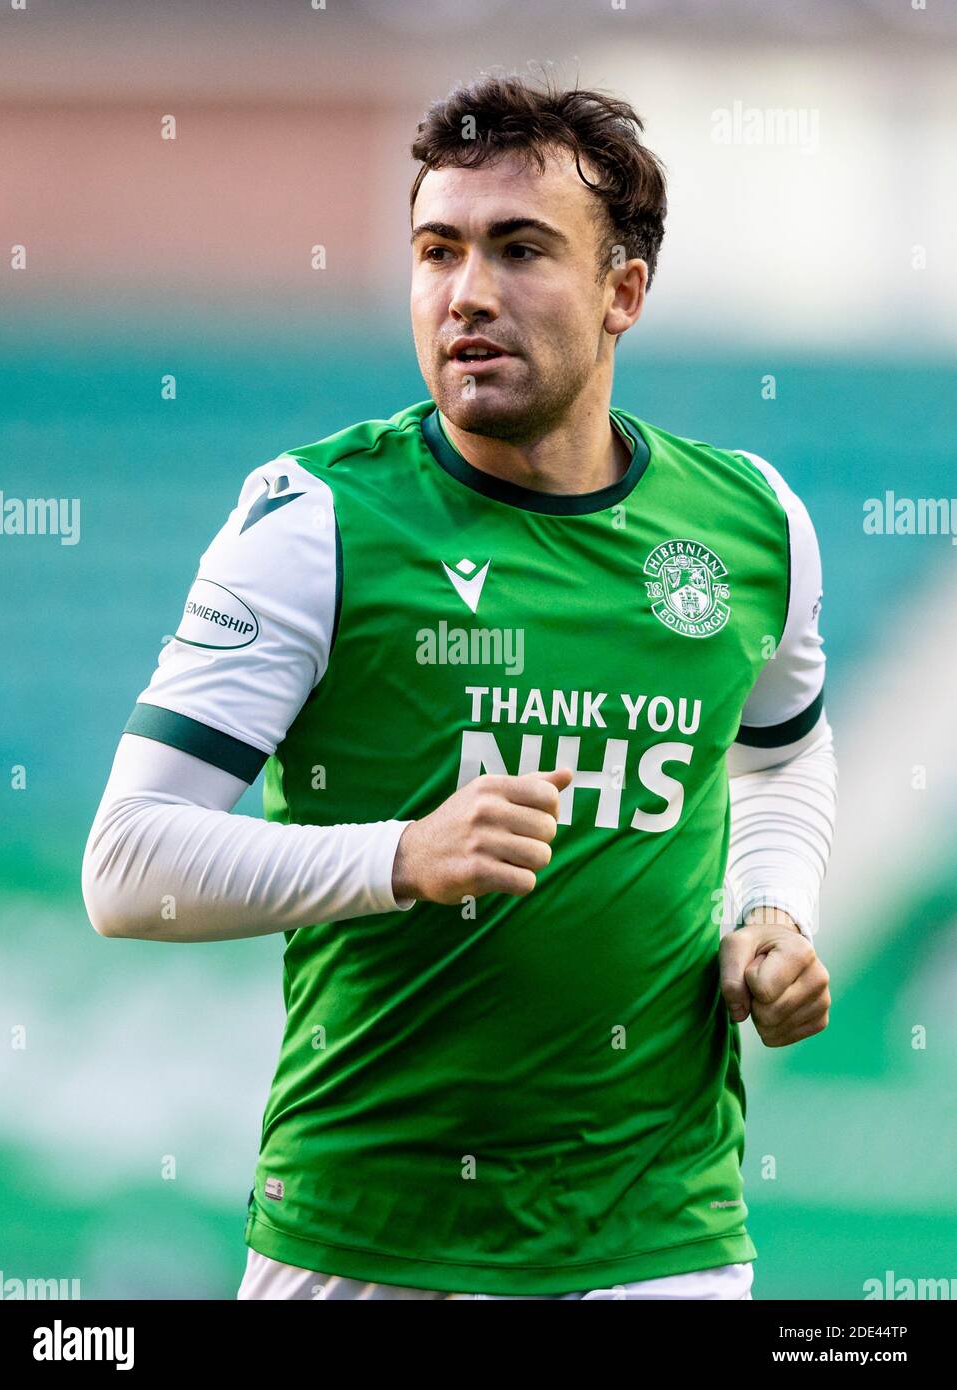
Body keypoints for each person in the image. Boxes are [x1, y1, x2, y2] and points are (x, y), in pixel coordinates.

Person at [82, 72, 837, 1301]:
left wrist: (770, 907)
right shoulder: (314, 521)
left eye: (520, 249)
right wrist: (398, 857)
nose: (466, 293)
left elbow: (782, 753)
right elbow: (125, 868)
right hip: (367, 1229)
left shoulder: (749, 525)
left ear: (622, 292)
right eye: (437, 250)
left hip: (660, 1235)